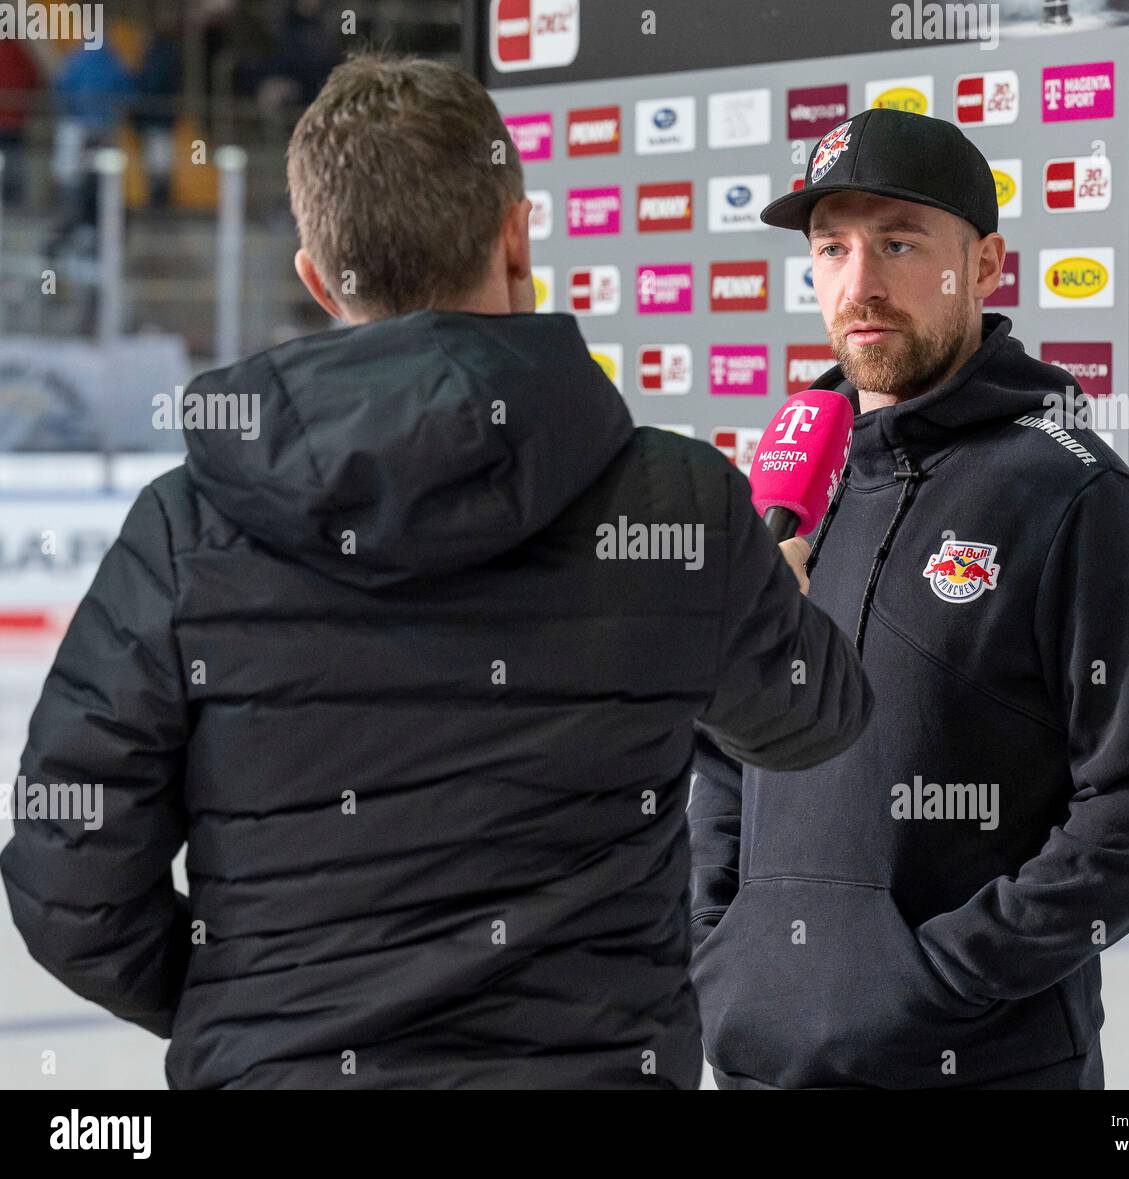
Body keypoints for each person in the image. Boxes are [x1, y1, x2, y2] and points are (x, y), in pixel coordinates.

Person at [0, 55, 870, 1090]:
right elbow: (814, 718)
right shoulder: (677, 500)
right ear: (516, 239)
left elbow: (71, 871)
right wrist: (781, 589)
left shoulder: (185, 528)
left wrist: (250, 1013)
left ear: (320, 278)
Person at [688, 108, 1129, 1090]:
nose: (859, 284)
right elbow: (726, 750)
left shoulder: (1071, 494)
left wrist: (928, 983)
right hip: (761, 1061)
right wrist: (720, 949)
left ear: (983, 268)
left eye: (898, 243)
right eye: (831, 247)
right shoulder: (787, 492)